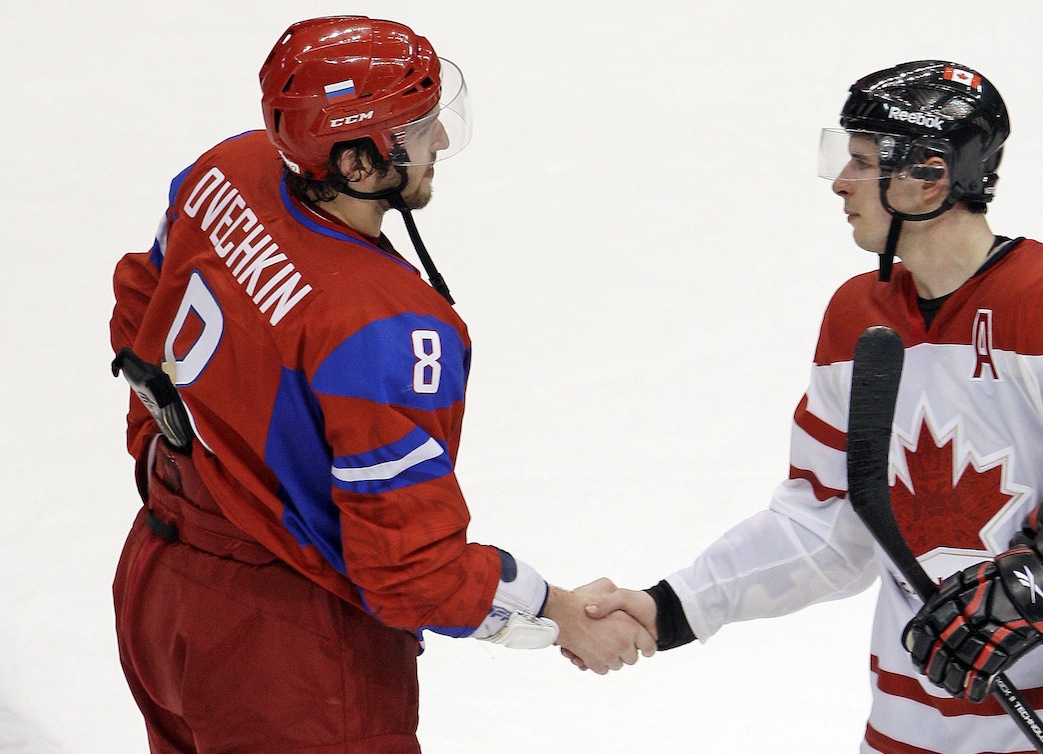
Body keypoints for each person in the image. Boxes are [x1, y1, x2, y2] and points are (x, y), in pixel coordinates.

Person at [582, 61, 1043, 753]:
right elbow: (827, 524)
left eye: (861, 162)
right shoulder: (858, 318)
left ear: (931, 176)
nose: (839, 182)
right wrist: (670, 607)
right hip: (919, 720)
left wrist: (1035, 591)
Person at [109, 16, 652, 753]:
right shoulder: (387, 332)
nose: (442, 143)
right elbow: (412, 575)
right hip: (288, 662)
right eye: (420, 128)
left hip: (158, 585)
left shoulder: (226, 172)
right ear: (359, 165)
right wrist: (555, 610)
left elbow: (140, 302)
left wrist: (174, 468)